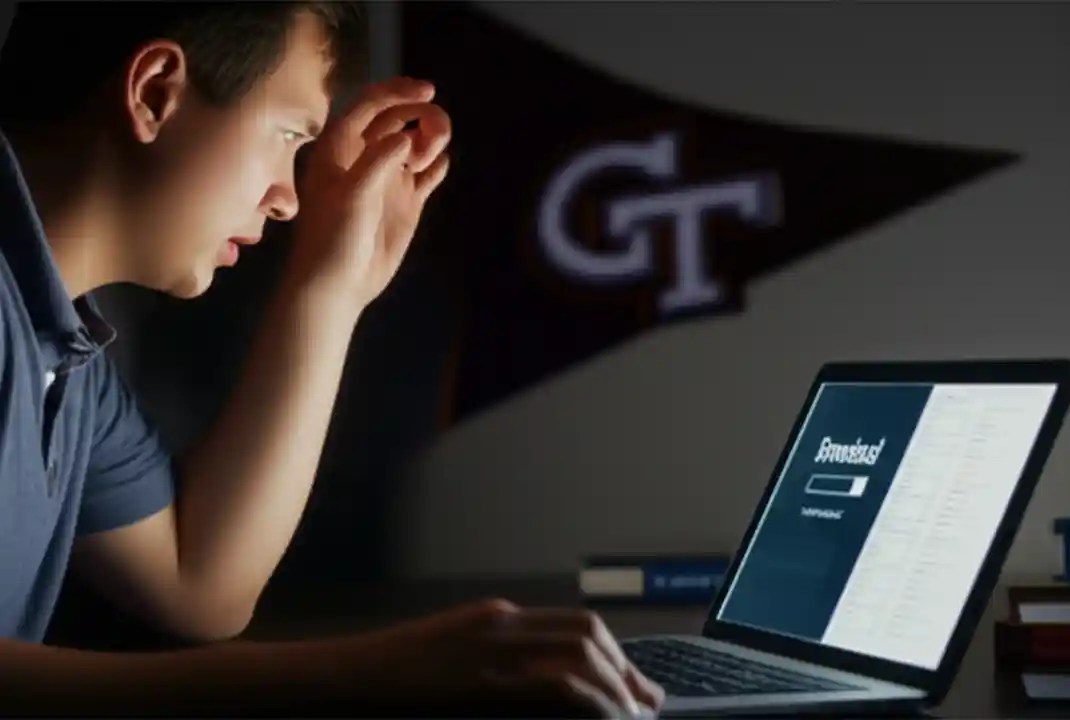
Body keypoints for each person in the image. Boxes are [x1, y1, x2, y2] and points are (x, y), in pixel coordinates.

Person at [0, 2, 664, 716]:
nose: (288, 198)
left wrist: (330, 289)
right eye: (289, 135)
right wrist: (375, 675)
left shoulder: (61, 349)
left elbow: (201, 582)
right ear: (156, 91)